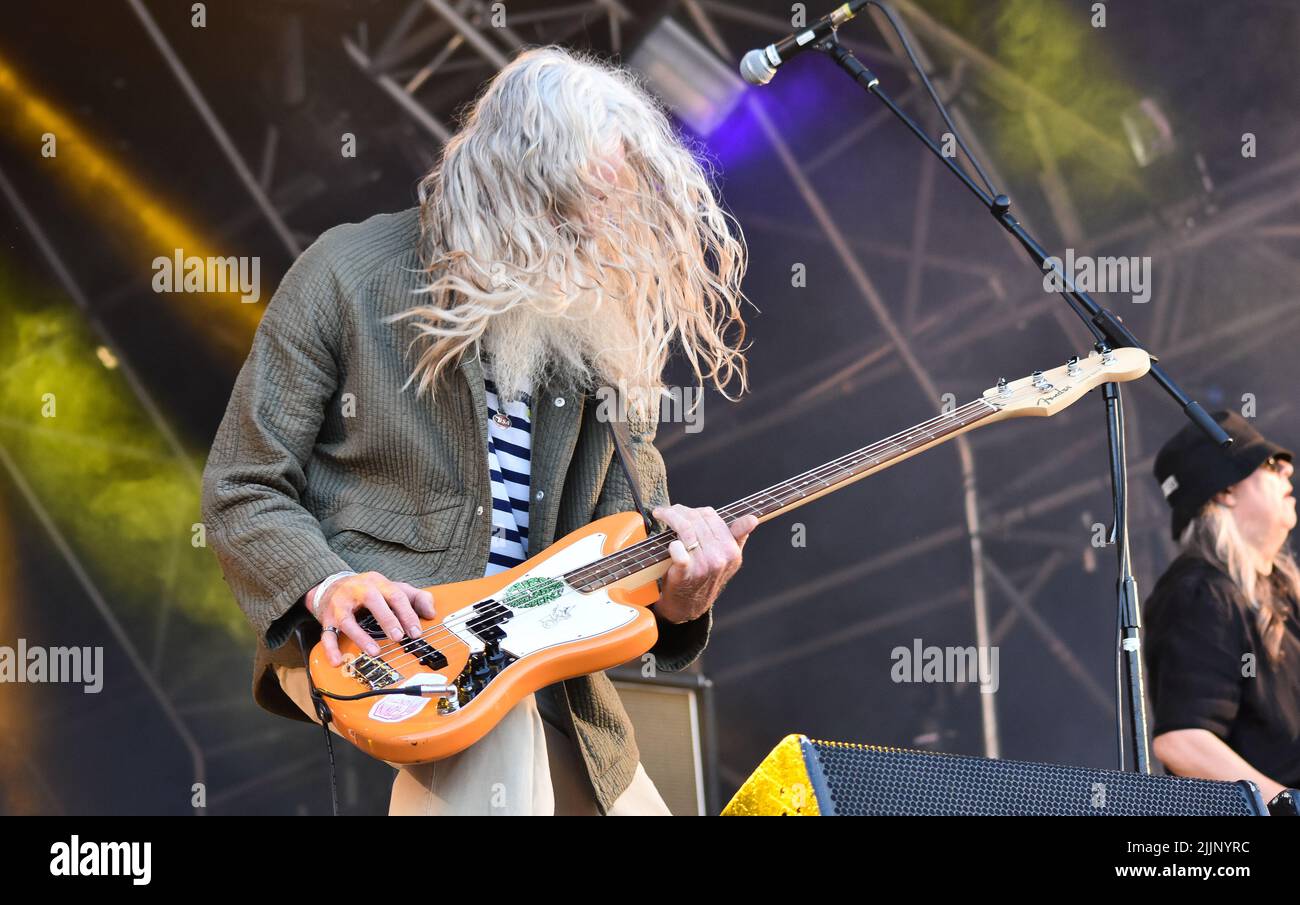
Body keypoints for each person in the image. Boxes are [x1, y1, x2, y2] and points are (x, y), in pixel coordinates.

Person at [200, 46, 758, 815]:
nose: (596, 238)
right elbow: (243, 485)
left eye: (610, 212)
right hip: (373, 636)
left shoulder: (598, 339)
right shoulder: (346, 271)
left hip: (538, 659)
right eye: (575, 210)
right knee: (490, 736)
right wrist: (329, 585)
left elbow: (627, 545)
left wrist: (683, 591)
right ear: (509, 185)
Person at [1146, 410, 1300, 801]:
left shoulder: (1280, 592)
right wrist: (1285, 803)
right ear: (1225, 491)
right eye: (1268, 463)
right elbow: (1183, 740)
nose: (1287, 469)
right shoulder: (1200, 593)